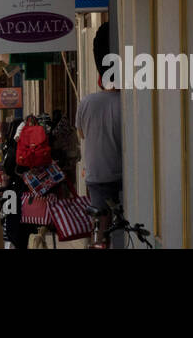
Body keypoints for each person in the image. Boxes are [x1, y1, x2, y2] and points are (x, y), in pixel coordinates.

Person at [76, 21, 122, 246]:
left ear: (100, 79)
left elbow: (82, 135)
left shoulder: (86, 102)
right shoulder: (127, 104)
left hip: (96, 175)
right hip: (121, 174)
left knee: (101, 227)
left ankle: (99, 242)